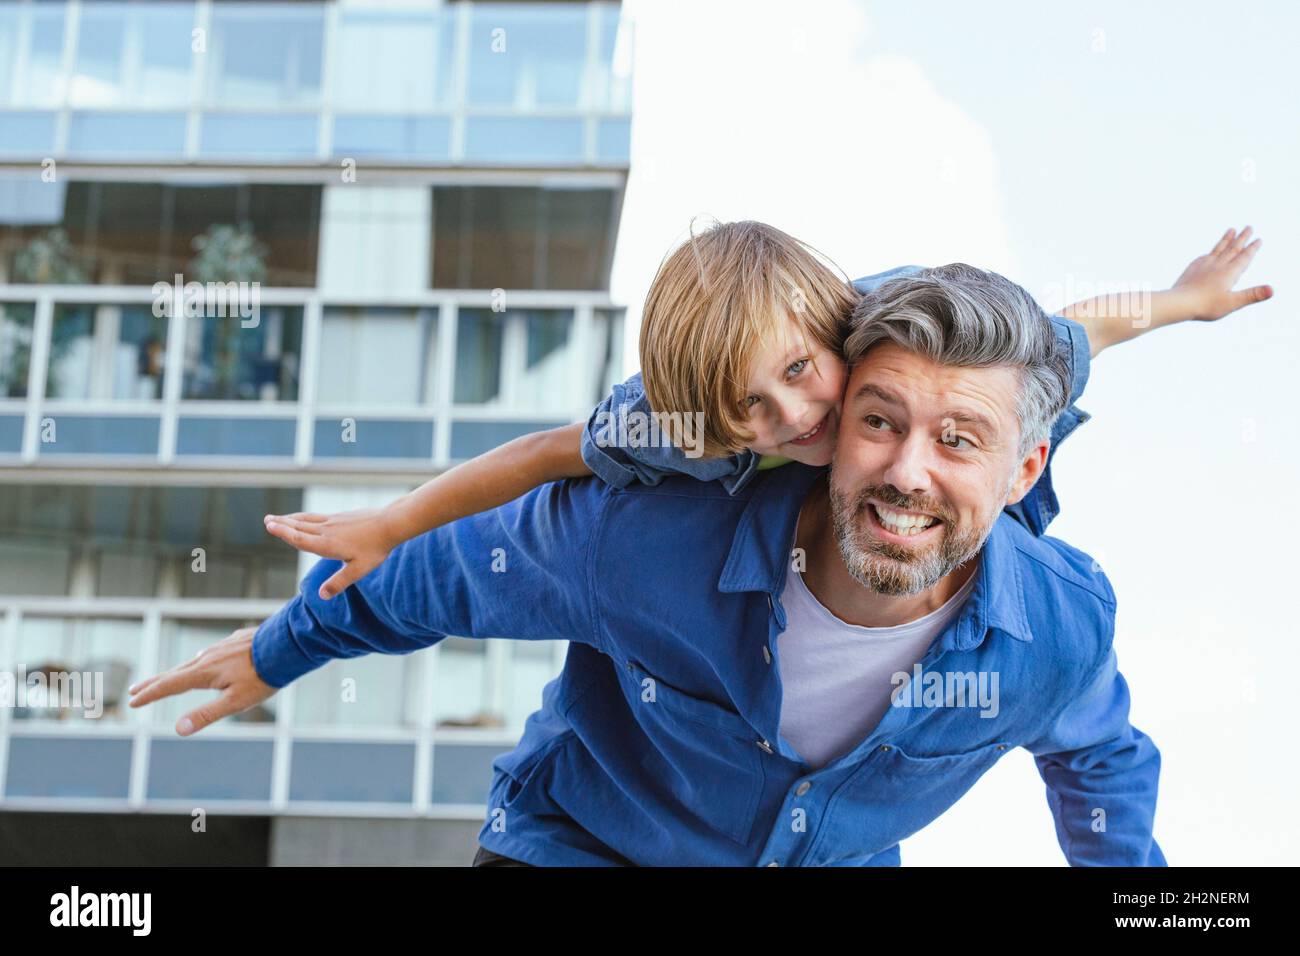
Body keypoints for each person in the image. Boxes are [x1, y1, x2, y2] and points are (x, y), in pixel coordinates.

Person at [129, 259, 1272, 866]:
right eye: (874, 421)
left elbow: (1101, 761)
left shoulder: (1057, 626)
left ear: (1026, 470)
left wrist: (1187, 299)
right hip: (587, 843)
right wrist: (280, 650)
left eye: (959, 441)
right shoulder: (655, 510)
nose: (906, 470)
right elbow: (449, 567)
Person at [257, 221, 1271, 598]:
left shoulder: (895, 332)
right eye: (750, 406)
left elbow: (1076, 327)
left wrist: (1185, 298)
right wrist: (392, 522)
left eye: (798, 368)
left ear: (829, 324)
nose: (791, 413)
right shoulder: (674, 431)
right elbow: (536, 455)